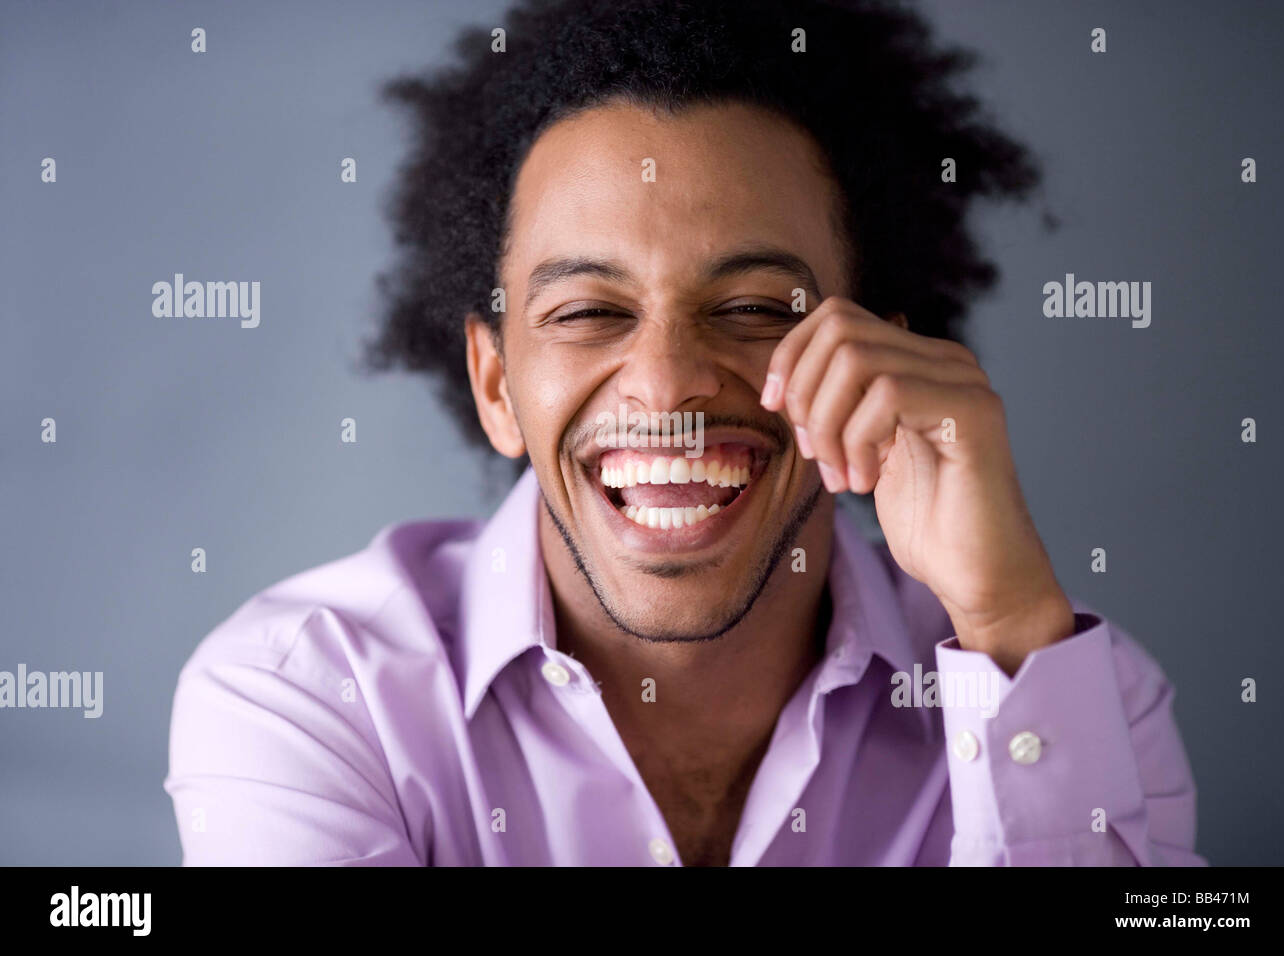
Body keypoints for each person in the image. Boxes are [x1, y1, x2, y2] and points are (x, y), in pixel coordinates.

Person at [165, 0, 1203, 866]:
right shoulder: (303, 697)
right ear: (495, 383)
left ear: (882, 363)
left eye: (754, 308)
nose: (666, 383)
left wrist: (1008, 624)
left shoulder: (1079, 698)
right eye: (585, 312)